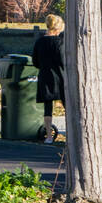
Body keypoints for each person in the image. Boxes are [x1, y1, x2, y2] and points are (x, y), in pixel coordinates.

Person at [31, 13, 65, 144]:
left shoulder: (39, 42)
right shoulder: (60, 42)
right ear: (58, 28)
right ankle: (73, 134)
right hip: (61, 76)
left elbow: (35, 61)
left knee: (47, 108)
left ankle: (49, 136)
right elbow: (63, 60)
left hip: (45, 76)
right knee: (67, 104)